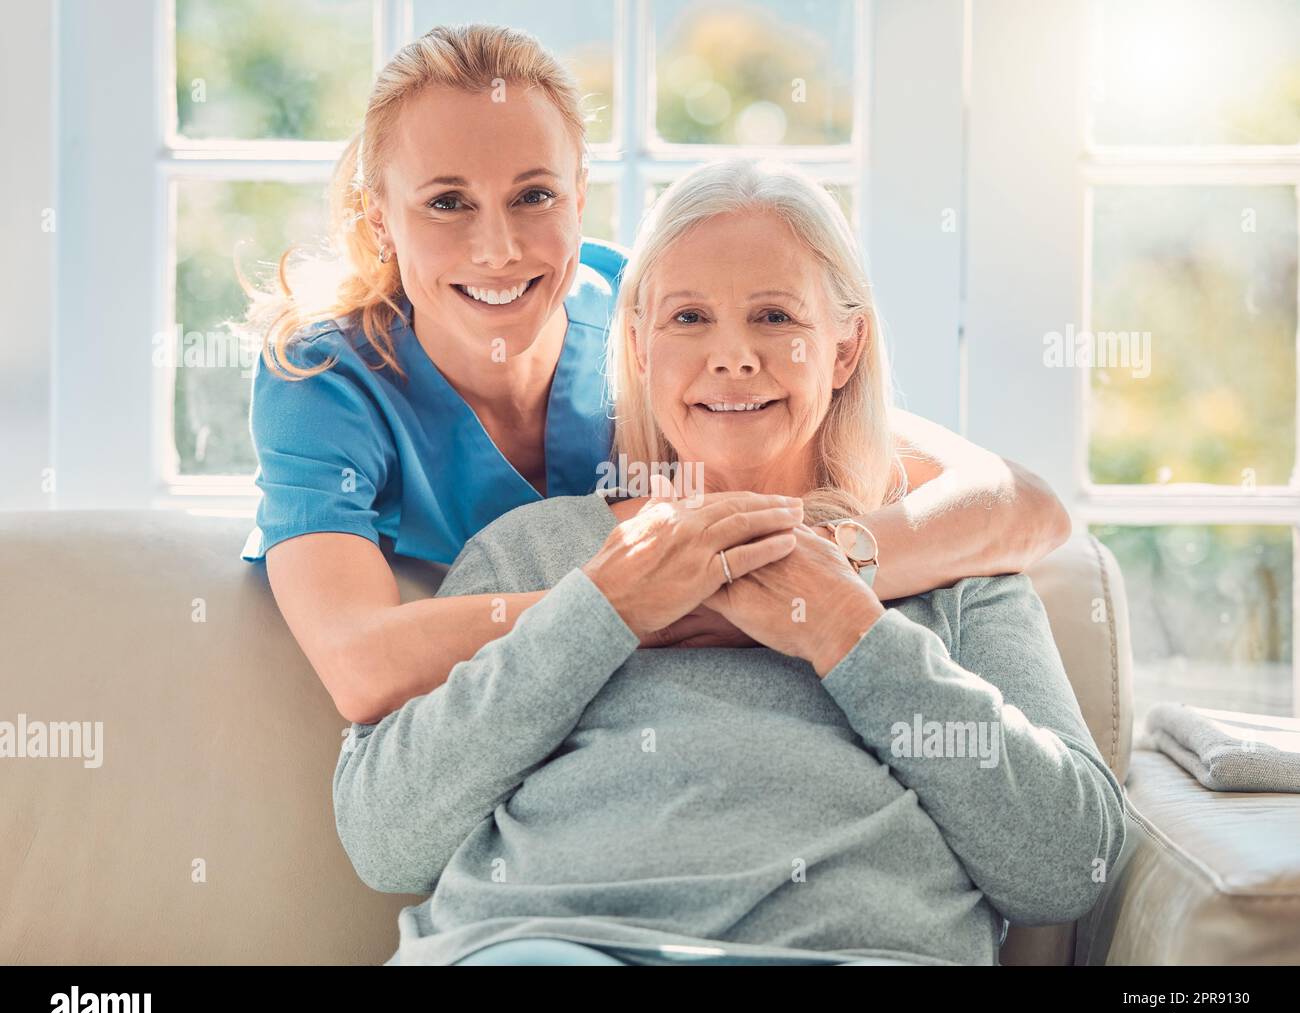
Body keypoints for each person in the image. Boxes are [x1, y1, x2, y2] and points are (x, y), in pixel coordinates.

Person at [333, 157, 1127, 967]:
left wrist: (849, 633)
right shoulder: (528, 550)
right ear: (639, 347)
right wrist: (600, 612)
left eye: (775, 316)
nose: (733, 357)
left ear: (844, 349)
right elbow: (384, 838)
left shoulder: (953, 568)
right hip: (544, 946)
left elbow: (1068, 866)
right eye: (689, 318)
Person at [240, 24, 1071, 729]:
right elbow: (361, 666)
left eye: (533, 196)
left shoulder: (660, 323)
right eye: (447, 203)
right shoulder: (324, 380)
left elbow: (1022, 503)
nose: (498, 249)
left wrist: (820, 573)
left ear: (579, 195)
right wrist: (640, 602)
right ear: (380, 219)